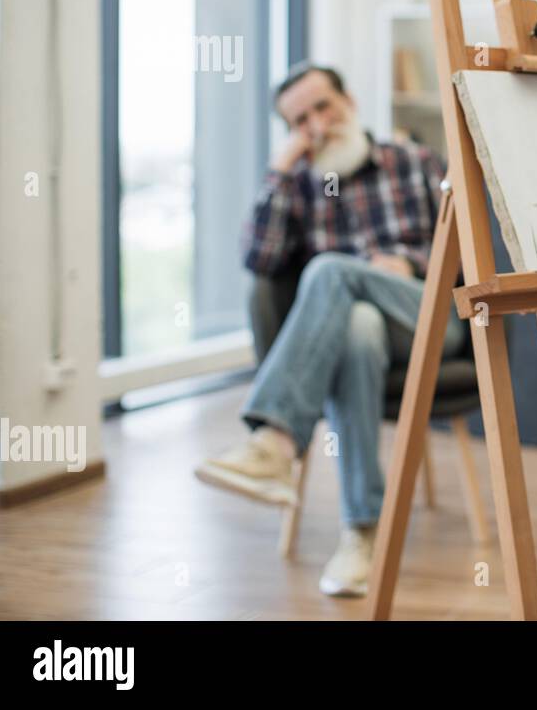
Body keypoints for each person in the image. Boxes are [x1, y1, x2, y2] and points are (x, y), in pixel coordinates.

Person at [194, 62, 465, 598]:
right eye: (300, 121)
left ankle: (273, 440)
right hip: (359, 332)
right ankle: (361, 534)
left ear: (350, 100)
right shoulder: (299, 185)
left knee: (329, 269)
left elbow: (465, 257)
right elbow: (260, 260)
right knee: (357, 328)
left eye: (324, 108)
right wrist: (278, 173)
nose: (317, 125)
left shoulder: (414, 160)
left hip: (425, 317)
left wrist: (407, 264)